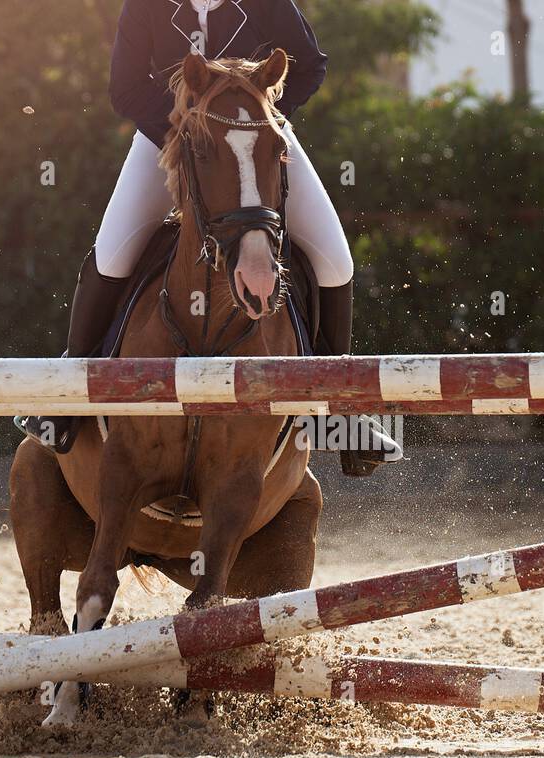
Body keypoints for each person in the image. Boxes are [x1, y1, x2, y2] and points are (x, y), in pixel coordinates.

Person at [23, 0, 399, 473]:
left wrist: (252, 120)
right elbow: (126, 88)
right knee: (113, 254)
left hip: (254, 140)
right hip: (170, 137)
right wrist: (188, 129)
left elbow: (309, 66)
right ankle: (68, 397)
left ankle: (340, 410)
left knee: (335, 261)